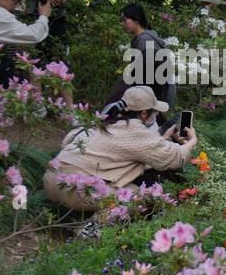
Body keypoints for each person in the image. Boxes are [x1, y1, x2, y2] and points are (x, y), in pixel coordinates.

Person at [43, 85, 195, 211]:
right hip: (76, 192)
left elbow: (128, 148)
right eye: (154, 112)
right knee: (141, 193)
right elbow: (176, 157)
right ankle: (92, 229)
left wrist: (163, 138)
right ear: (143, 113)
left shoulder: (104, 122)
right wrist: (191, 141)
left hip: (52, 181)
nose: (155, 115)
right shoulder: (136, 132)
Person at [120, 3, 175, 115]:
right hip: (152, 94)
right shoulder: (141, 39)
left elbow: (150, 77)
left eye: (125, 20)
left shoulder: (145, 41)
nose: (123, 23)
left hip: (155, 96)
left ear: (136, 19)